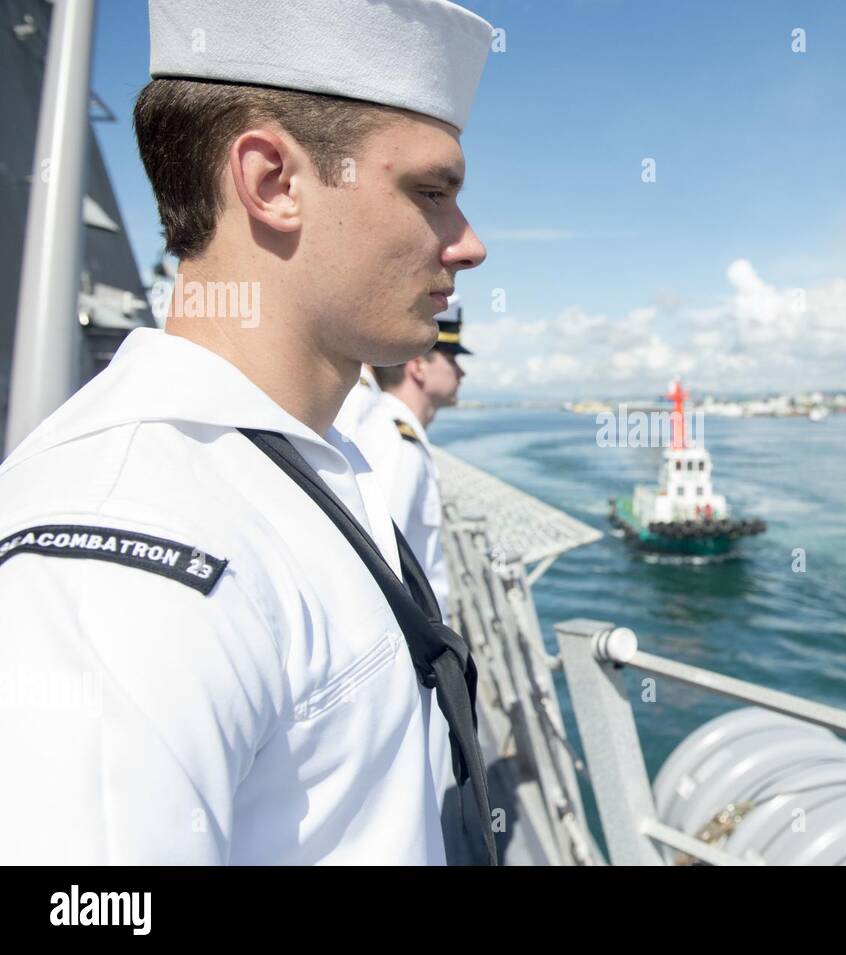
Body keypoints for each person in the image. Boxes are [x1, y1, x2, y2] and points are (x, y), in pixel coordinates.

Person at [0, 0, 495, 865]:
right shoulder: (128, 543)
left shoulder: (302, 460)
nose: (469, 243)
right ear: (272, 183)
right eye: (430, 192)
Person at [348, 299, 470, 803]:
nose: (461, 369)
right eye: (452, 356)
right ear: (419, 365)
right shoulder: (394, 441)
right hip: (407, 671)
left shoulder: (396, 433)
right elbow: (380, 568)